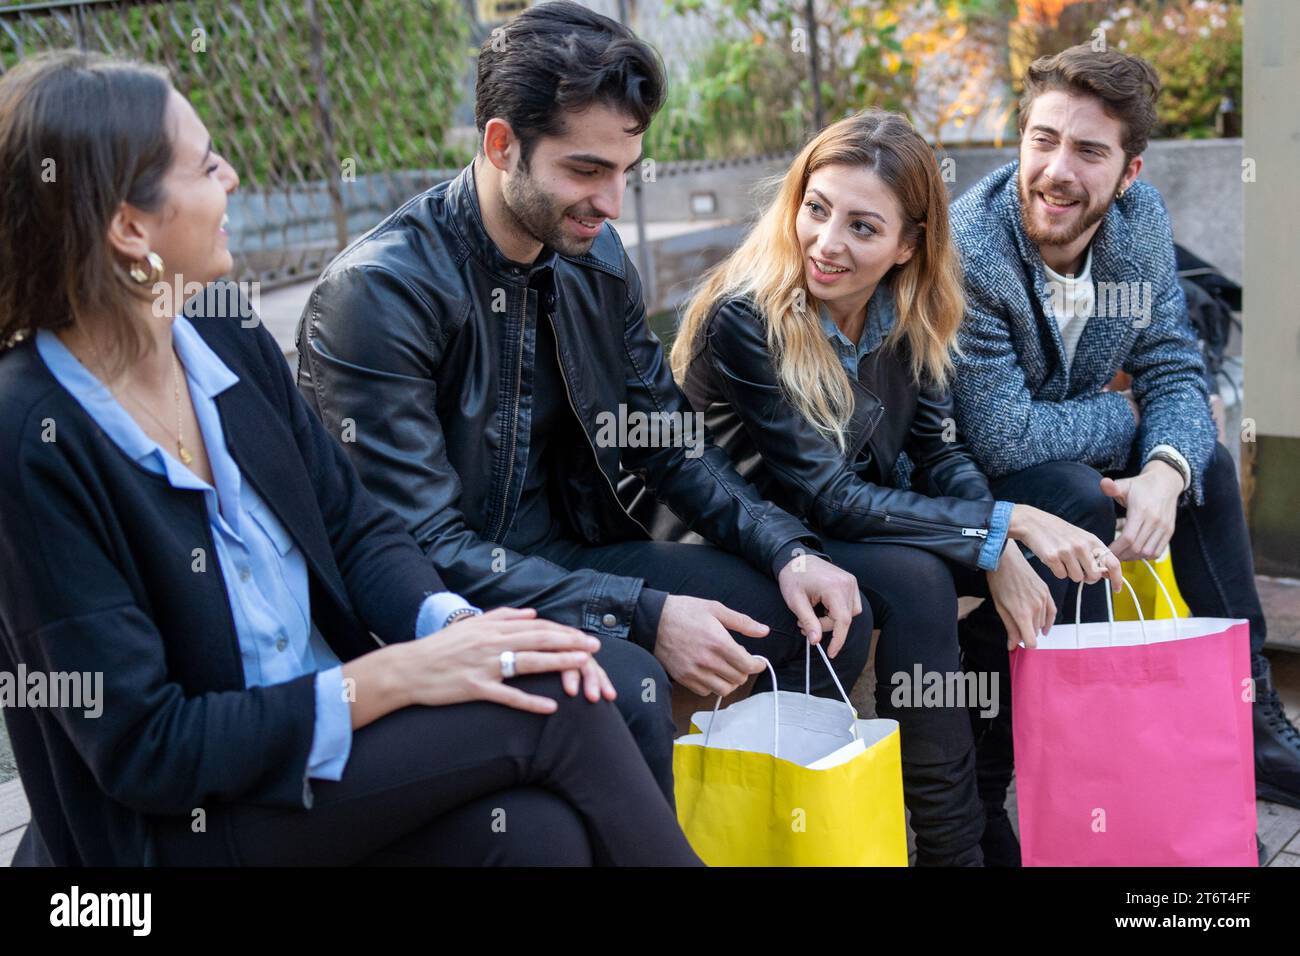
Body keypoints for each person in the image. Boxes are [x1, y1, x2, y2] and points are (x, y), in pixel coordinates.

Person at [0, 50, 701, 867]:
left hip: (320, 755)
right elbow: (147, 749)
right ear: (128, 226)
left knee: (542, 834)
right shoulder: (30, 433)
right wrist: (397, 677)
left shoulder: (218, 330)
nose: (231, 179)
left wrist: (456, 628)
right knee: (568, 700)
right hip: (180, 823)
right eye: (204, 163)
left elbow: (357, 528)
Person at [295, 0, 873, 793]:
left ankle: (773, 836)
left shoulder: (596, 264)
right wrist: (639, 611)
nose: (611, 202)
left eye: (625, 171)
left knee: (826, 621)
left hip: (571, 553)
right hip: (445, 599)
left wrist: (787, 548)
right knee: (629, 680)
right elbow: (418, 544)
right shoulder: (380, 294)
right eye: (586, 170)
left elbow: (666, 437)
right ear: (503, 144)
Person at [666, 109, 1121, 866]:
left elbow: (938, 457)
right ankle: (953, 850)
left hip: (837, 524)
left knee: (1074, 504)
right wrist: (998, 532)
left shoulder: (911, 313)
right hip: (744, 534)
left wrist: (999, 539)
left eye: (862, 227)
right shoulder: (747, 316)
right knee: (914, 580)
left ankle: (987, 794)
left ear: (909, 244)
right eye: (816, 209)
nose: (827, 243)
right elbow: (825, 496)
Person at [949, 43, 1300, 863]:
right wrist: (1126, 421)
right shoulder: (975, 246)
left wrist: (1164, 470)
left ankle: (1247, 719)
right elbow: (1002, 436)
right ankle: (1091, 749)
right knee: (1074, 488)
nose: (1056, 170)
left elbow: (1175, 366)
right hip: (964, 486)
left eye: (1088, 151)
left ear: (1130, 170)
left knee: (1203, 464)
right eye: (1042, 139)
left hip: (1055, 457)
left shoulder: (1138, 227)